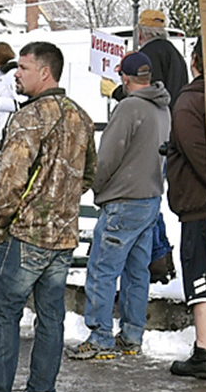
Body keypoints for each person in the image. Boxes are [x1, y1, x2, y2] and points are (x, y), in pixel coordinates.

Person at [0, 41, 93, 392]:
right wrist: (62, 199)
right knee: (50, 319)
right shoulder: (80, 117)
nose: (15, 74)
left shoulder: (29, 118)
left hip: (27, 235)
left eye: (22, 67)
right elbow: (89, 174)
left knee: (5, 315)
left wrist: (4, 225)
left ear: (45, 72)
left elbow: (9, 181)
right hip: (63, 236)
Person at [72, 48, 169, 360]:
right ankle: (131, 335)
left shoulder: (129, 109)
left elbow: (107, 157)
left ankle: (100, 336)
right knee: (136, 272)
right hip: (149, 200)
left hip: (123, 201)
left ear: (125, 79)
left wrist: (95, 187)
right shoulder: (162, 107)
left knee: (102, 269)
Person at [165, 63, 206, 381]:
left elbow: (195, 150)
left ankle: (204, 352)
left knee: (202, 280)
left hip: (200, 207)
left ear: (195, 61)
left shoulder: (190, 100)